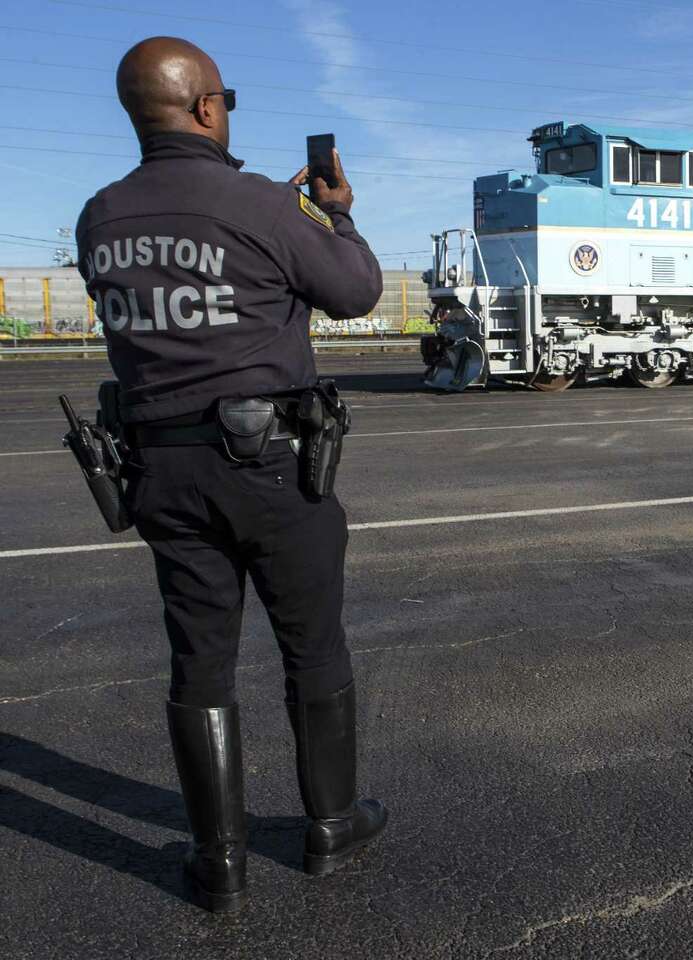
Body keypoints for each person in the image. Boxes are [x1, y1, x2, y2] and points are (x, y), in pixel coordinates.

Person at [74, 36, 387, 913]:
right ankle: (330, 827)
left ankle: (220, 863)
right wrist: (333, 215)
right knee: (312, 644)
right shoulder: (263, 205)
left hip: (162, 474)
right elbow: (357, 290)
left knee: (199, 661)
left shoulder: (100, 216)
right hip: (271, 467)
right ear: (208, 107)